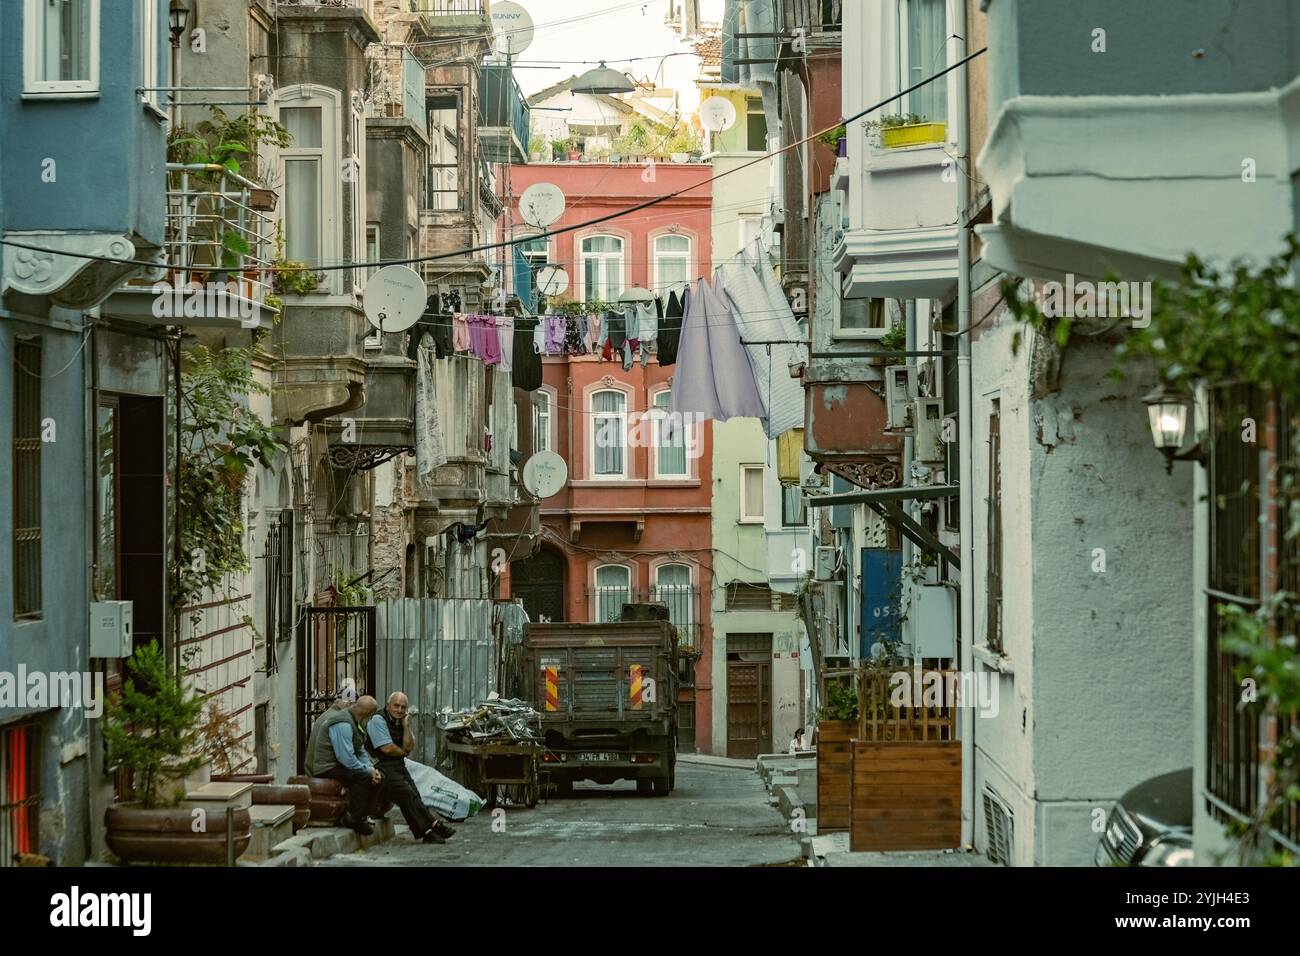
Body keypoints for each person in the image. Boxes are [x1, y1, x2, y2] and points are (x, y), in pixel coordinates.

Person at [367, 692, 456, 844]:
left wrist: (406, 726)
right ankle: (432, 827)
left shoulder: (401, 721)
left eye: (403, 707)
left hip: (397, 764)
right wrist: (402, 752)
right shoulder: (377, 720)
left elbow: (409, 746)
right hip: (381, 766)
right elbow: (387, 748)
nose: (399, 710)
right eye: (396, 706)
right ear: (388, 705)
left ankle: (430, 831)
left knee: (414, 794)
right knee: (407, 794)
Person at [303, 694, 381, 835]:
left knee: (379, 776)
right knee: (363, 778)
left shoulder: (356, 722)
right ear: (368, 714)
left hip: (339, 765)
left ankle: (363, 816)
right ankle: (352, 818)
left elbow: (360, 750)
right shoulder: (342, 722)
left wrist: (372, 768)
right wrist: (367, 772)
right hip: (326, 767)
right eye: (371, 716)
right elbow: (346, 758)